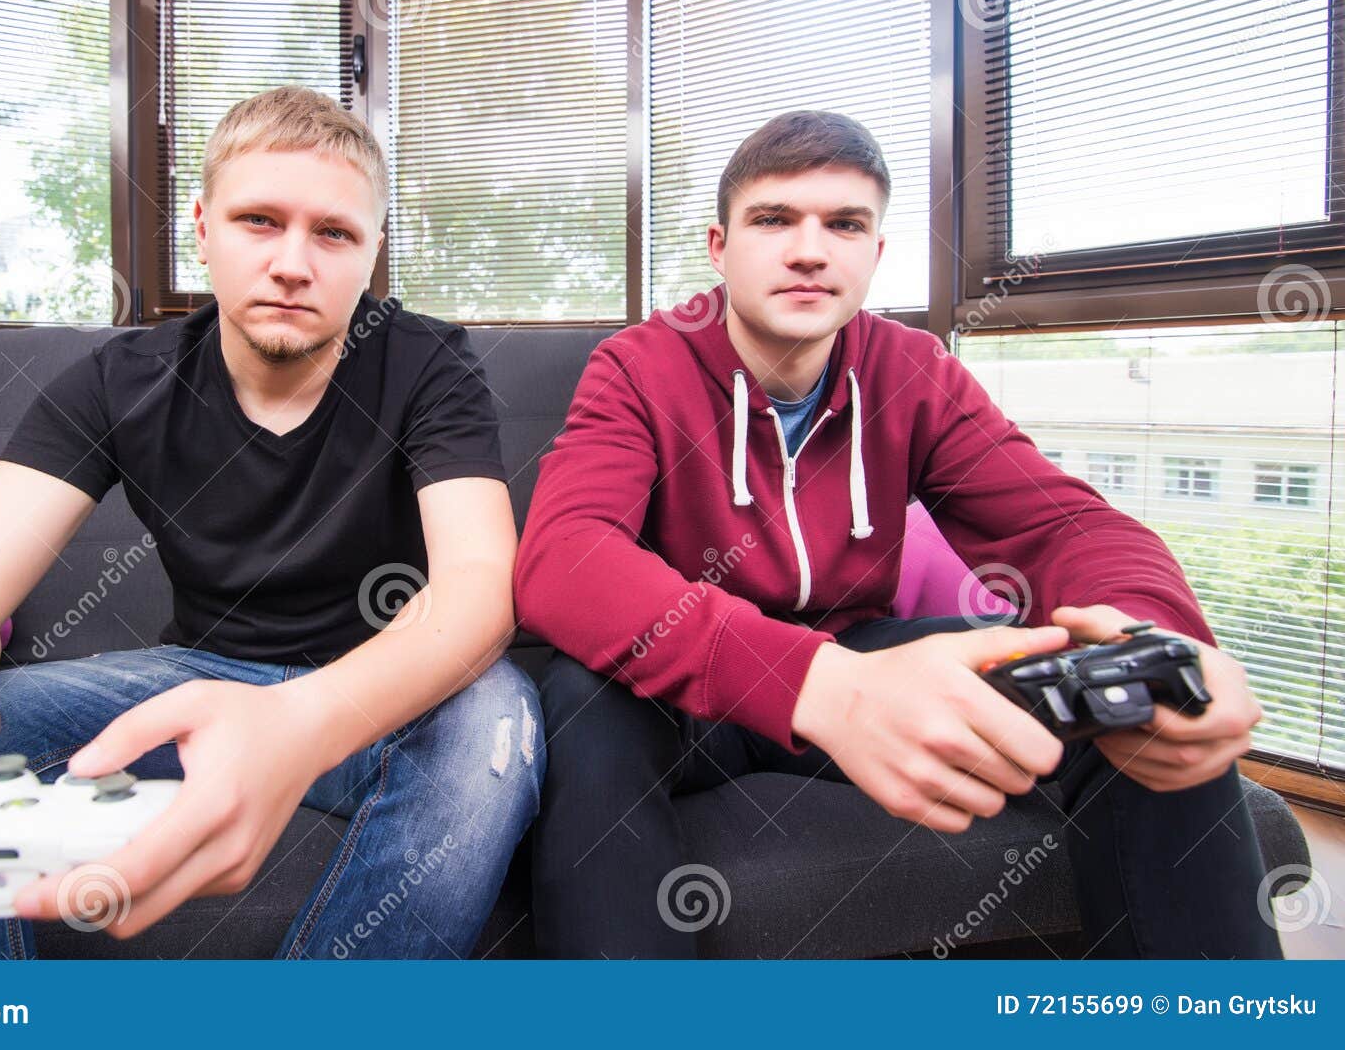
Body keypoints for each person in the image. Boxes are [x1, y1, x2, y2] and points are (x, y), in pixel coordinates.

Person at [0, 86, 543, 960]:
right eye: (259, 220)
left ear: (372, 250)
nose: (293, 262)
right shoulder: (119, 381)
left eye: (334, 232)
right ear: (202, 225)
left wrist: (301, 720)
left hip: (380, 698)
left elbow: (477, 586)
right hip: (188, 682)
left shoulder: (428, 365)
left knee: (499, 722)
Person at [514, 110, 1279, 959]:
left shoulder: (912, 370)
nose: (810, 250)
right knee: (583, 702)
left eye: (845, 224)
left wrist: (1155, 637)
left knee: (1133, 685)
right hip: (692, 695)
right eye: (774, 220)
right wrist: (820, 685)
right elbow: (566, 558)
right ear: (719, 247)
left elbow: (1064, 523)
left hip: (873, 657)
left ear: (876, 253)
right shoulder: (640, 364)